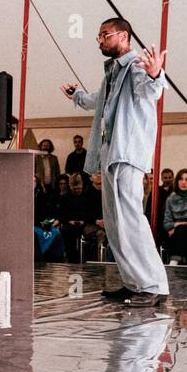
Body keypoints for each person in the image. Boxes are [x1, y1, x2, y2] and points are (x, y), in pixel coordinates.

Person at [62, 16, 168, 306]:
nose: (100, 40)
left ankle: (152, 285)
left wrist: (156, 74)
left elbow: (151, 90)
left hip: (127, 153)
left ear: (123, 36)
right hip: (110, 154)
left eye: (105, 34)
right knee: (114, 224)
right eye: (98, 36)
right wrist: (77, 96)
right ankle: (134, 283)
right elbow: (99, 100)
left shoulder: (135, 66)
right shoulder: (112, 73)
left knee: (130, 220)